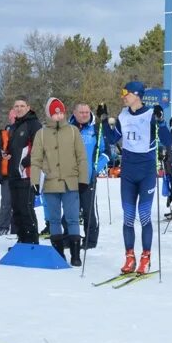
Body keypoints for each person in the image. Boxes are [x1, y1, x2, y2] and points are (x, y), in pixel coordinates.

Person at [103, 81, 172, 275]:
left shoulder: (151, 114)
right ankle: (130, 257)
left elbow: (169, 142)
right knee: (127, 217)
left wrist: (161, 122)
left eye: (126, 93)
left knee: (144, 216)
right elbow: (110, 139)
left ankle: (146, 257)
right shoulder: (123, 115)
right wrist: (102, 119)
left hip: (146, 171)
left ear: (137, 95)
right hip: (128, 172)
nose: (123, 96)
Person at [30, 97, 88, 265]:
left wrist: (83, 179)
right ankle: (58, 253)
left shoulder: (72, 131)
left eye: (61, 113)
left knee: (72, 218)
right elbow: (36, 160)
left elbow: (81, 157)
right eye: (55, 113)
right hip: (50, 183)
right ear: (49, 114)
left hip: (71, 182)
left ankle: (75, 255)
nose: (58, 116)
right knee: (54, 219)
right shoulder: (41, 134)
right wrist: (35, 180)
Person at [67, 102, 109, 249]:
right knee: (69, 209)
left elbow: (106, 153)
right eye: (81, 112)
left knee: (87, 210)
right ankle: (69, 237)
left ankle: (90, 240)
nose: (84, 114)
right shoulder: (67, 128)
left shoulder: (96, 130)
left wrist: (95, 168)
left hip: (88, 177)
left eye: (86, 112)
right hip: (69, 176)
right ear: (74, 113)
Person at [4, 97, 42, 244]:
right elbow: (15, 147)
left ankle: (32, 241)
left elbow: (38, 148)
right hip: (14, 173)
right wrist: (7, 153)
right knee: (17, 210)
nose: (19, 108)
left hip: (27, 174)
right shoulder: (14, 126)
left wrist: (25, 163)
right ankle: (22, 240)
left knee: (26, 209)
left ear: (28, 107)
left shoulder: (34, 124)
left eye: (21, 106)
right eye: (16, 106)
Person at [0, 109, 17, 236]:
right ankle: (3, 226)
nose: (13, 118)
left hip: (20, 173)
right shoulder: (3, 132)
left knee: (19, 203)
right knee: (6, 202)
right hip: (6, 174)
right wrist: (1, 154)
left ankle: (16, 227)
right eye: (12, 116)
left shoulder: (26, 130)